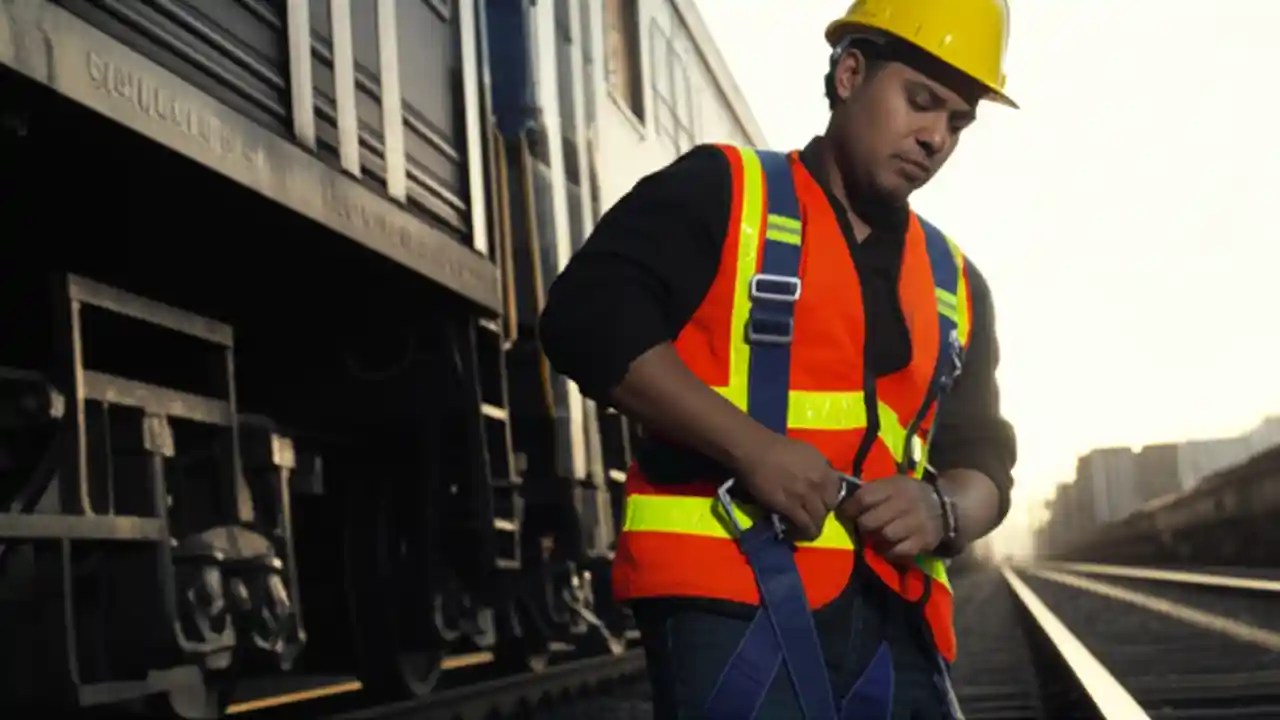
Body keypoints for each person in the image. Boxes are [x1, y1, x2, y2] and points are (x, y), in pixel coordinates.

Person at [538, 0, 1019, 717]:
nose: (934, 138)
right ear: (851, 74)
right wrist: (752, 451)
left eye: (957, 122)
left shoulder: (955, 281)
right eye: (920, 102)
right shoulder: (723, 194)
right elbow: (586, 320)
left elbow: (984, 460)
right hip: (732, 606)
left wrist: (943, 508)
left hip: (897, 627)